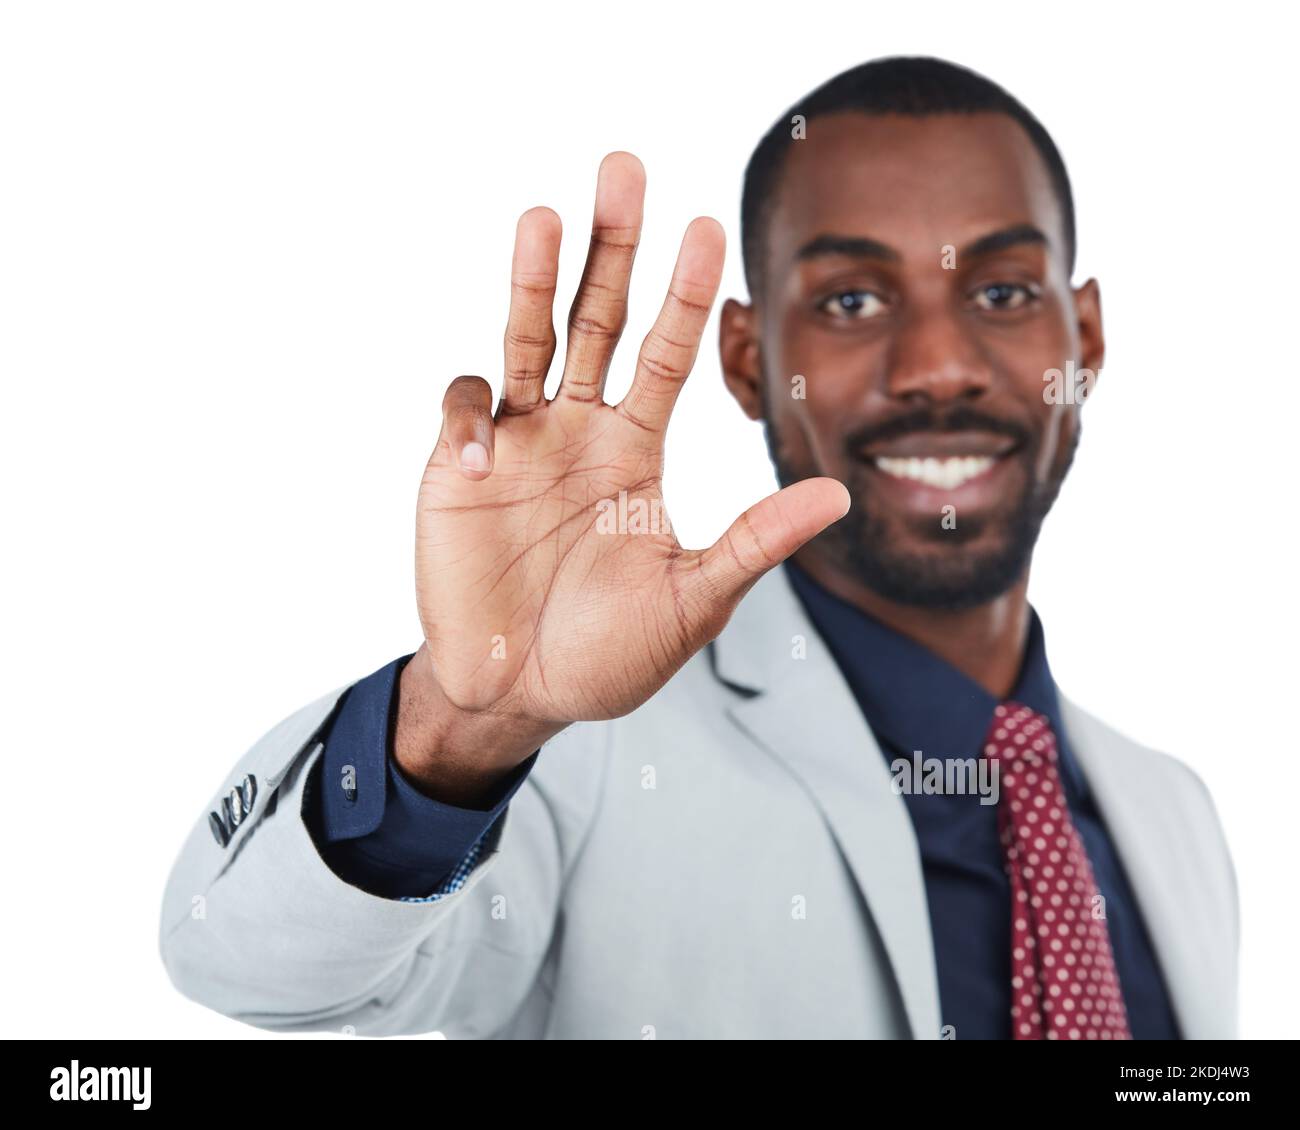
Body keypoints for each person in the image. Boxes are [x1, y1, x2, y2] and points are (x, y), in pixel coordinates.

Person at [160, 56, 1237, 1039]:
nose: (937, 365)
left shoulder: (1171, 812)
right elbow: (253, 964)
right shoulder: (577, 746)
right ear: (746, 358)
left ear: (1081, 335)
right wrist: (465, 724)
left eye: (1001, 292)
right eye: (851, 299)